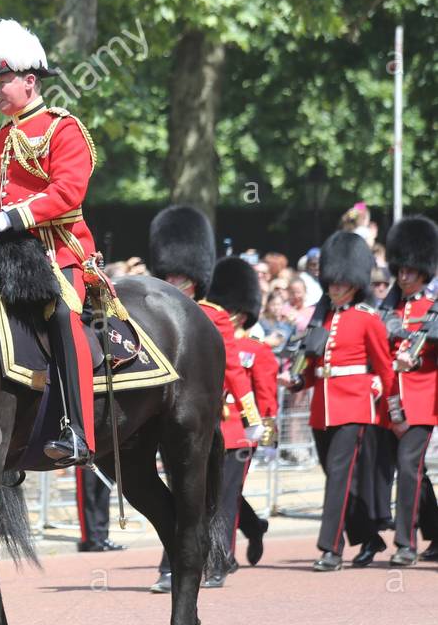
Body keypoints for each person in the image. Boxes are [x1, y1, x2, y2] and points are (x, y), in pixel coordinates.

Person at [0, 21, 99, 467]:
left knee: (62, 314)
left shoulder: (63, 129)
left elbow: (67, 193)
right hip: (9, 255)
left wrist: (9, 217)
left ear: (30, 81)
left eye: (4, 81)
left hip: (59, 250)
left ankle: (79, 432)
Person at [146, 206, 255, 592]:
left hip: (215, 416)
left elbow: (233, 371)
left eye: (181, 274)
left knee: (212, 496)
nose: (174, 279)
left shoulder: (214, 315)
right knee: (178, 491)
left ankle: (219, 560)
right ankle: (172, 566)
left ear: (196, 276)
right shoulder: (152, 314)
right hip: (169, 416)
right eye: (170, 272)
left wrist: (252, 415)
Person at [281, 230, 395, 571]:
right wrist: (296, 380)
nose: (333, 287)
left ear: (354, 283)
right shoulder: (323, 319)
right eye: (331, 282)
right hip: (322, 409)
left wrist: (390, 410)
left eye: (340, 282)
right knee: (335, 477)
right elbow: (314, 366)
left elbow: (384, 368)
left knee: (338, 476)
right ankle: (369, 536)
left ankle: (331, 549)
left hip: (355, 405)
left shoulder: (367, 319)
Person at [208, 256, 278, 582]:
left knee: (224, 497)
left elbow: (266, 395)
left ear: (240, 312)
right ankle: (253, 525)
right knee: (218, 493)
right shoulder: (206, 341)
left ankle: (221, 560)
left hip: (238, 429)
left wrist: (267, 432)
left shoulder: (256, 349)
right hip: (209, 427)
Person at [378, 216, 438, 566]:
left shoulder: (431, 309)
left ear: (423, 272)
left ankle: (405, 543)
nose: (403, 276)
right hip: (392, 401)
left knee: (407, 466)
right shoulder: (390, 309)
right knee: (415, 471)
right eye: (400, 270)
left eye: (410, 271)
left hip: (421, 399)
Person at [74, 468, 123, 553]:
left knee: (103, 497)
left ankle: (103, 538)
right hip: (86, 458)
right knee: (87, 497)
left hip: (105, 457)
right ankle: (90, 540)